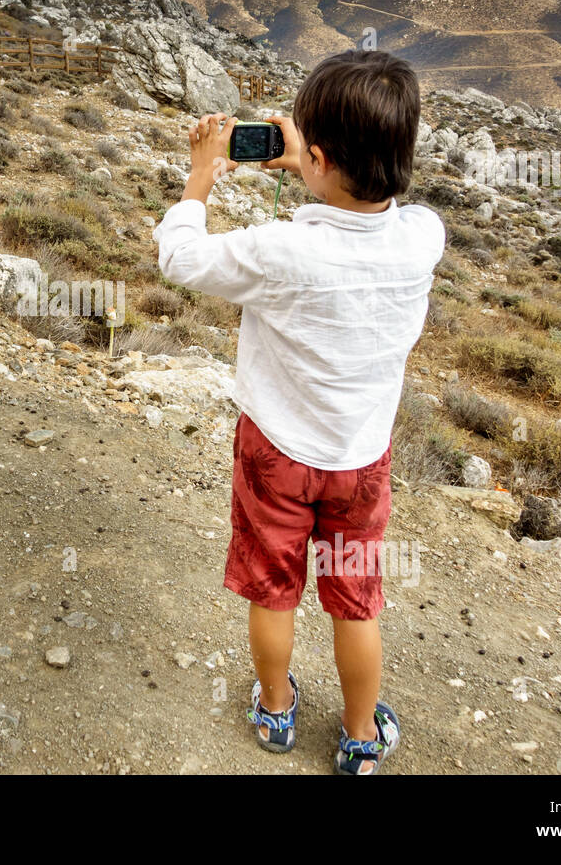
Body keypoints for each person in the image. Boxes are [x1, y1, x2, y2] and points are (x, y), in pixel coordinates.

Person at [152, 50, 445, 774]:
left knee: (273, 587)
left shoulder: (280, 250)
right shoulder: (423, 238)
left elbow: (181, 260)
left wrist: (200, 179)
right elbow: (380, 215)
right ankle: (357, 737)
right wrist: (320, 168)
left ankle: (276, 710)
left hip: (276, 452)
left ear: (315, 156)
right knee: (355, 601)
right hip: (360, 460)